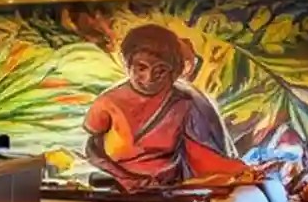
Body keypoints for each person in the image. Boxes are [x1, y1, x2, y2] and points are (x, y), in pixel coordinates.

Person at [83, 24, 247, 192]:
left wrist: (243, 173)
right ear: (128, 65)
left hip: (169, 190)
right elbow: (92, 147)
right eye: (141, 68)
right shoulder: (107, 102)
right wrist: (125, 179)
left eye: (160, 70)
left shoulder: (184, 103)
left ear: (173, 71)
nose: (149, 78)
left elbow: (200, 156)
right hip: (119, 189)